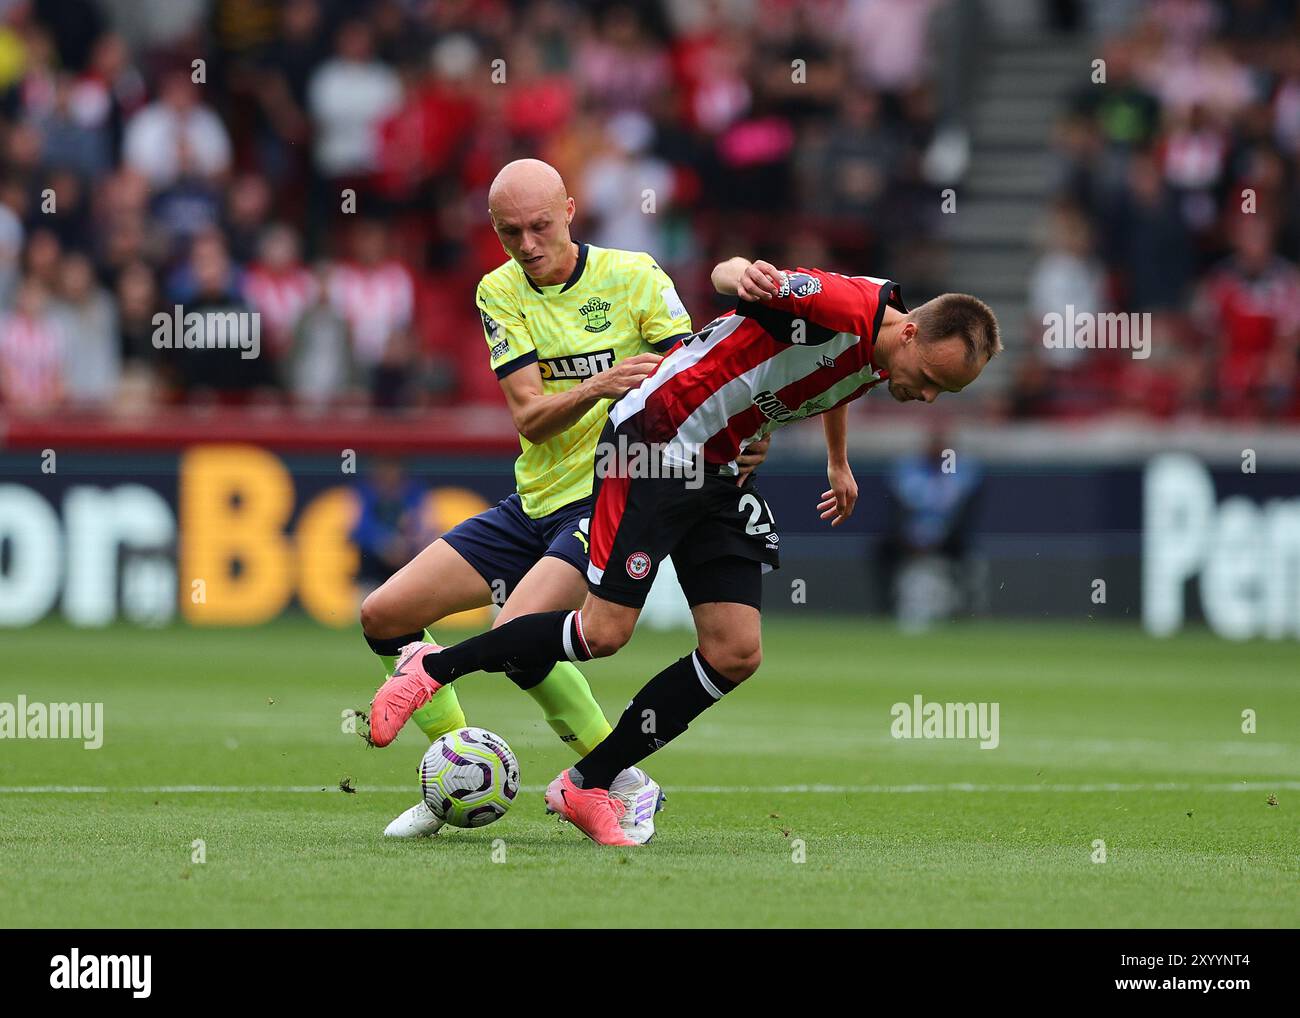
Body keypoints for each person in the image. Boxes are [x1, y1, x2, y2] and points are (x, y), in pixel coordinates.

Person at [366, 256, 1000, 846]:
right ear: (912, 332)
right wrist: (739, 272)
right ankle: (431, 669)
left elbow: (840, 377)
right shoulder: (844, 304)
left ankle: (586, 783)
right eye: (932, 379)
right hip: (657, 441)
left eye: (946, 392)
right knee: (605, 633)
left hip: (718, 466)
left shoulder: (883, 350)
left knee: (736, 651)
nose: (928, 396)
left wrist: (838, 460)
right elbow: (741, 278)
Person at [357, 159, 769, 843]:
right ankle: (457, 765)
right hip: (534, 499)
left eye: (540, 226)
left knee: (515, 632)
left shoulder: (636, 277)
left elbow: (705, 378)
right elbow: (529, 417)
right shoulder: (500, 291)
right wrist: (597, 384)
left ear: (571, 211)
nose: (527, 244)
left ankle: (620, 780)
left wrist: (743, 438)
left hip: (610, 497)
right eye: (509, 232)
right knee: (382, 615)